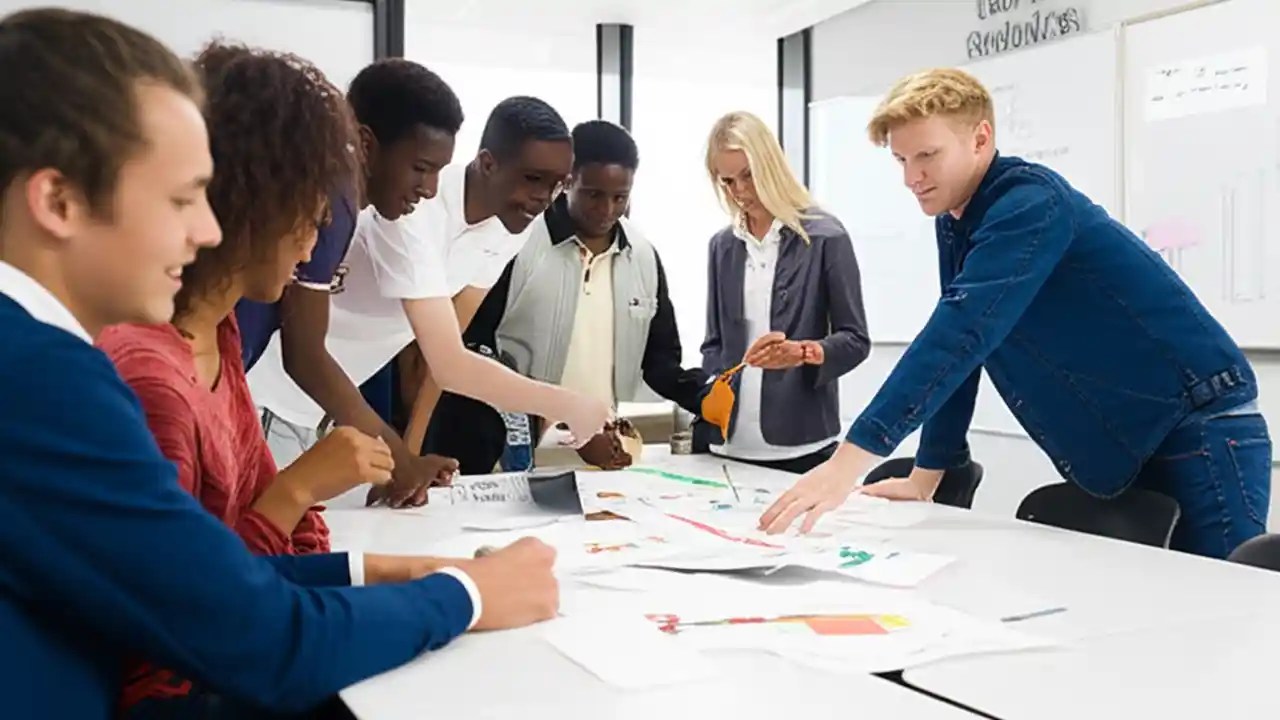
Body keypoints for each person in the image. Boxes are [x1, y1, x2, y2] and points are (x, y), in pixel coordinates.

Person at [0, 10, 556, 719]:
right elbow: (250, 634)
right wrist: (469, 596)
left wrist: (397, 573)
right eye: (180, 199)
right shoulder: (47, 380)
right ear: (58, 200)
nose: (206, 227)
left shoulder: (71, 358)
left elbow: (215, 580)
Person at [758, 68, 1271, 560]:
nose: (912, 178)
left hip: (1197, 428)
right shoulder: (958, 219)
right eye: (901, 160)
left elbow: (960, 332)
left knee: (1221, 621)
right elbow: (964, 352)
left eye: (928, 156)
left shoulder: (1029, 204)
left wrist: (849, 462)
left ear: (980, 139)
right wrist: (928, 472)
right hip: (1131, 438)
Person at [247, 96, 610, 497]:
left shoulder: (513, 223)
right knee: (269, 543)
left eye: (557, 184)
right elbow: (452, 363)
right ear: (488, 164)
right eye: (532, 179)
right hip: (271, 400)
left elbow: (442, 358)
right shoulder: (414, 210)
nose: (544, 198)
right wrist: (567, 404)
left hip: (325, 414)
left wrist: (411, 455)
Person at [236, 58, 467, 509]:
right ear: (365, 144)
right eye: (421, 167)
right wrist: (401, 458)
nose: (430, 189)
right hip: (255, 401)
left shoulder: (338, 199)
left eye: (439, 170)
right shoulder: (334, 201)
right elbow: (304, 355)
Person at [428, 120, 710, 473]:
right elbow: (474, 345)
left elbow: (660, 364)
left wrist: (707, 394)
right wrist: (557, 418)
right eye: (593, 194)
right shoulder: (518, 242)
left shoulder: (643, 257)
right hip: (507, 456)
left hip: (602, 461)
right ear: (567, 182)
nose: (607, 210)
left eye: (619, 197)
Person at [699, 110, 870, 474]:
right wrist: (708, 396)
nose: (740, 191)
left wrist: (806, 352)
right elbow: (714, 344)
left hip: (802, 445)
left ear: (770, 165)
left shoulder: (826, 237)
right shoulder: (722, 246)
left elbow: (856, 340)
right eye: (727, 181)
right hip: (726, 446)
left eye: (748, 175)